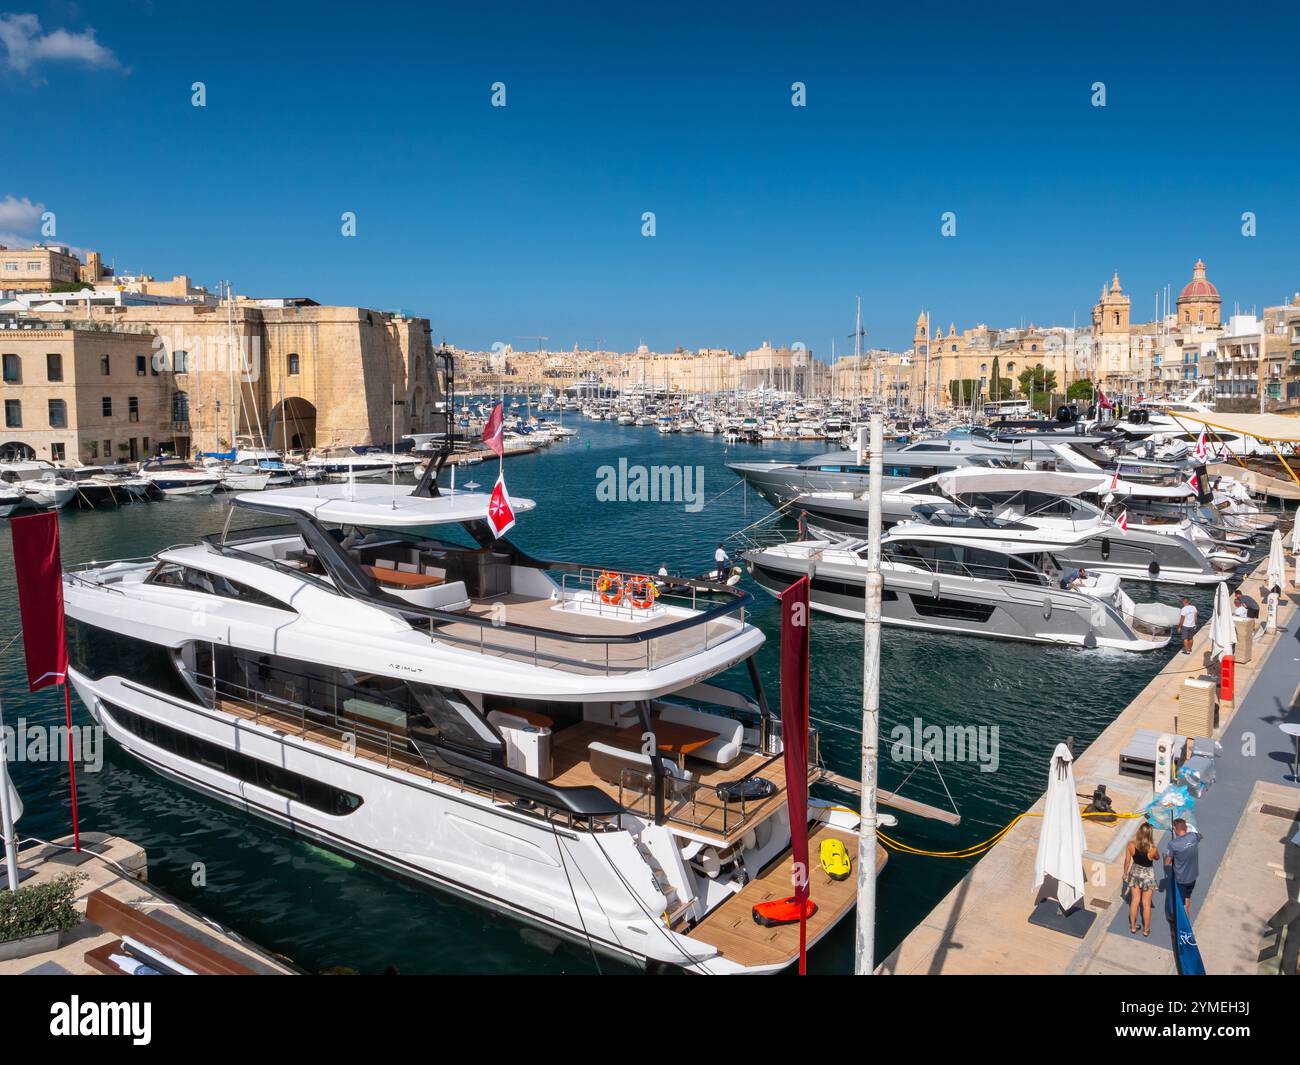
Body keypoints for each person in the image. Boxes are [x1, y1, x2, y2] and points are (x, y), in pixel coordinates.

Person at [1123, 822, 1159, 936]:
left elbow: (1127, 861)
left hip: (1134, 873)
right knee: (1146, 903)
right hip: (1147, 875)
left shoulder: (1130, 845)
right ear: (1150, 834)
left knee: (1135, 901)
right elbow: (1157, 858)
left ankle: (1133, 927)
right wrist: (1153, 847)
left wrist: (1125, 873)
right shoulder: (1152, 849)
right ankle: (1146, 930)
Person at [1164, 818, 1202, 918]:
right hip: (1193, 876)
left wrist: (1168, 856)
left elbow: (1167, 863)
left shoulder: (1173, 844)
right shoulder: (1193, 836)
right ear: (1186, 827)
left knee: (1181, 905)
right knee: (1187, 898)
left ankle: (1184, 925)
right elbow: (1200, 836)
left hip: (1181, 879)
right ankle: (1184, 917)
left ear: (1175, 829)